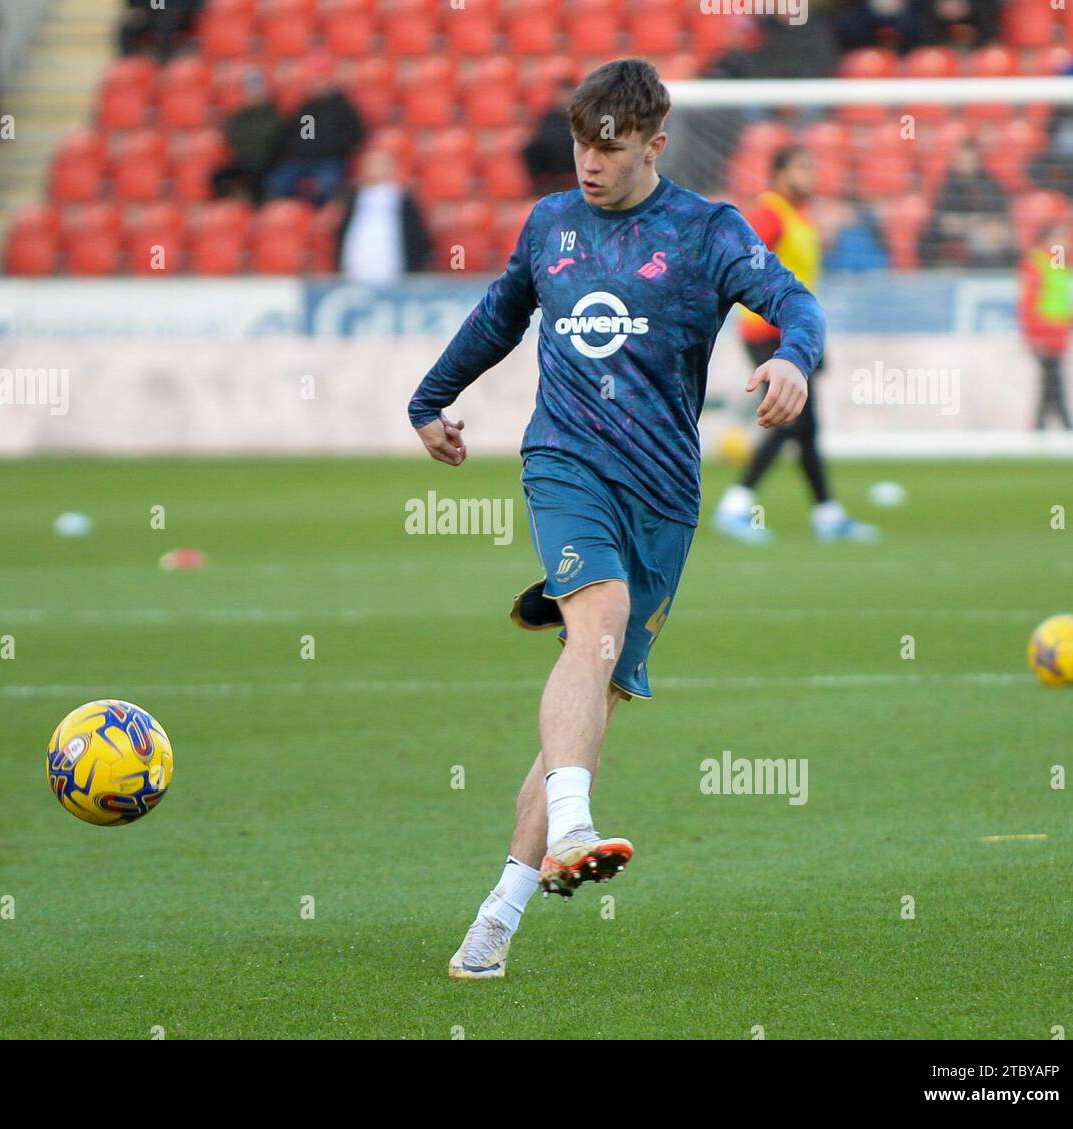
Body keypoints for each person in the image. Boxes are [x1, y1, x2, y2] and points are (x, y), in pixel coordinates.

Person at [407, 60, 824, 979]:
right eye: (579, 145)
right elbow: (498, 315)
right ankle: (577, 823)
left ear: (653, 145)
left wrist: (794, 355)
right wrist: (430, 400)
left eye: (610, 148)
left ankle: (496, 920)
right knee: (594, 623)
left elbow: (796, 300)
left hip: (664, 495)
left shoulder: (708, 232)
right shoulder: (550, 223)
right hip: (566, 460)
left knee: (593, 685)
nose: (589, 165)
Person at [713, 147, 878, 544]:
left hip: (796, 334)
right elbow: (742, 264)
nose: (811, 176)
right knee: (793, 421)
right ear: (779, 173)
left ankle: (827, 512)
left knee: (807, 427)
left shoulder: (800, 216)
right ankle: (736, 504)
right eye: (802, 168)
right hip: (767, 333)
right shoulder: (770, 213)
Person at [263, 55, 365, 208]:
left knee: (327, 185)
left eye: (321, 80)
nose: (317, 85)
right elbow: (303, 136)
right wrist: (298, 152)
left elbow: (354, 136)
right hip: (303, 159)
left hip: (330, 159)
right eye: (314, 81)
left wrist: (331, 149)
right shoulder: (308, 108)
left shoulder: (343, 108)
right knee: (277, 183)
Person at [1021, 222, 1073, 431]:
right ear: (1046, 239)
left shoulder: (1057, 262)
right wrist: (1033, 334)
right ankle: (1064, 424)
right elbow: (1029, 302)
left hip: (1058, 331)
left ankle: (1042, 425)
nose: (1065, 242)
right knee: (1053, 380)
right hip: (1044, 331)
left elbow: (1060, 296)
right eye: (1060, 237)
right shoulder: (1037, 262)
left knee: (1051, 380)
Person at [335, 150, 431, 281]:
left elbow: (417, 236)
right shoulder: (350, 197)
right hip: (354, 270)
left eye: (379, 165)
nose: (373, 170)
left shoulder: (403, 199)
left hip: (395, 271)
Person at [211, 67, 283, 204]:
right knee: (218, 177)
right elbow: (234, 139)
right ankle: (232, 207)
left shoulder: (274, 114)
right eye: (250, 89)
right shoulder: (239, 117)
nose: (254, 93)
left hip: (266, 161)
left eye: (257, 88)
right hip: (244, 159)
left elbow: (277, 140)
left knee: (260, 179)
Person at [521, 76, 579, 195]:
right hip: (551, 164)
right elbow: (542, 138)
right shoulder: (548, 116)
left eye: (568, 93)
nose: (564, 97)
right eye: (562, 93)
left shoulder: (582, 115)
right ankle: (541, 185)